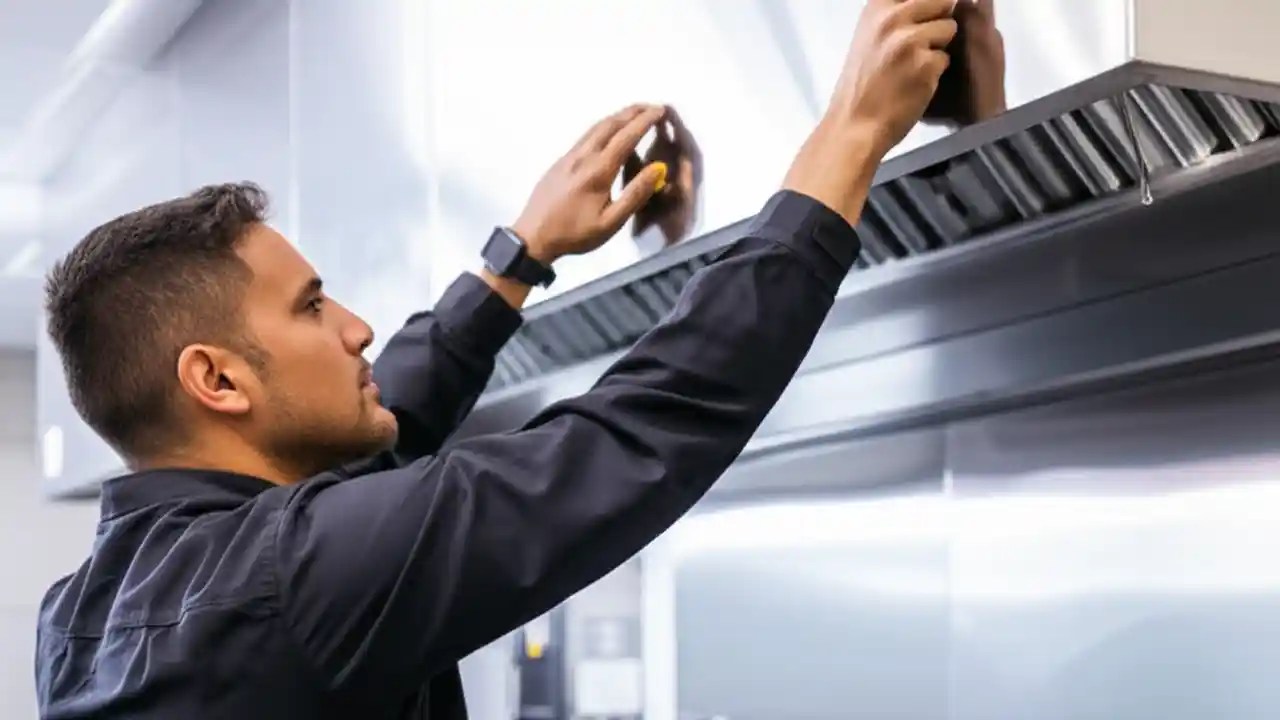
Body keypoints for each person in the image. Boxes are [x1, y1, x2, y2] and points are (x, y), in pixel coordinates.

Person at [34, 1, 959, 717]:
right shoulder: (291, 579)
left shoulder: (81, 616)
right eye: (312, 306)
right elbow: (633, 434)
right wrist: (850, 131)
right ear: (218, 380)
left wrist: (518, 258)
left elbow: (380, 441)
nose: (356, 328)